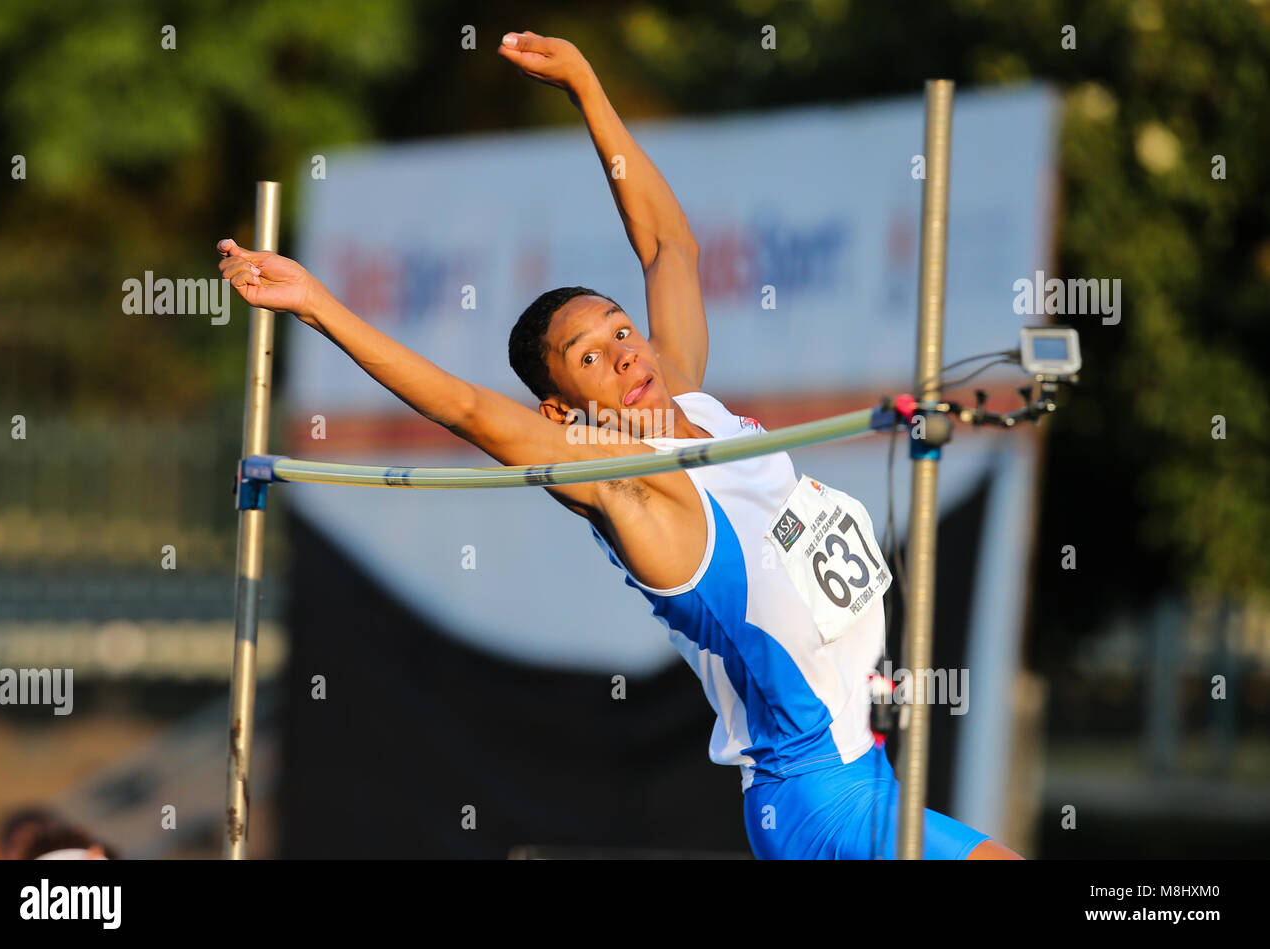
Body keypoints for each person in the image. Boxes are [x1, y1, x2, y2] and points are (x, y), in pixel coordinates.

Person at [217, 30, 1021, 860]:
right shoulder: (631, 488)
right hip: (819, 797)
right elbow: (468, 410)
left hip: (866, 775)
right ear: (562, 409)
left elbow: (669, 246)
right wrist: (319, 307)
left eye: (621, 330)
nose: (626, 354)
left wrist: (588, 92)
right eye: (590, 359)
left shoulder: (690, 399)